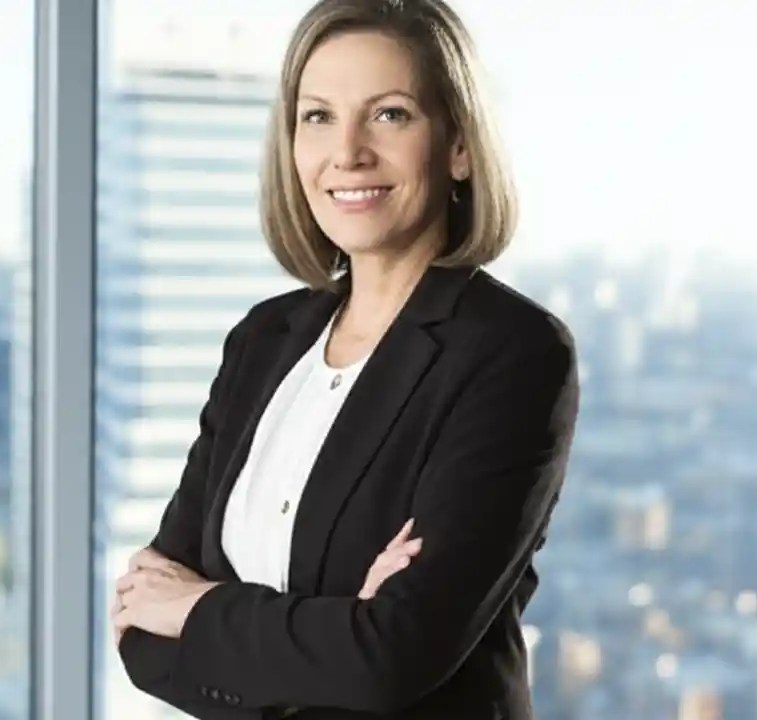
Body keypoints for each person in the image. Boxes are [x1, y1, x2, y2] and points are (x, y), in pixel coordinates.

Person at [109, 1, 579, 717]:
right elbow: (142, 630)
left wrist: (201, 611)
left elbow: (392, 657)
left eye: (389, 114)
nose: (348, 152)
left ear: (458, 145)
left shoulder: (510, 353)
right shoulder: (263, 342)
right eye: (318, 116)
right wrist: (330, 639)